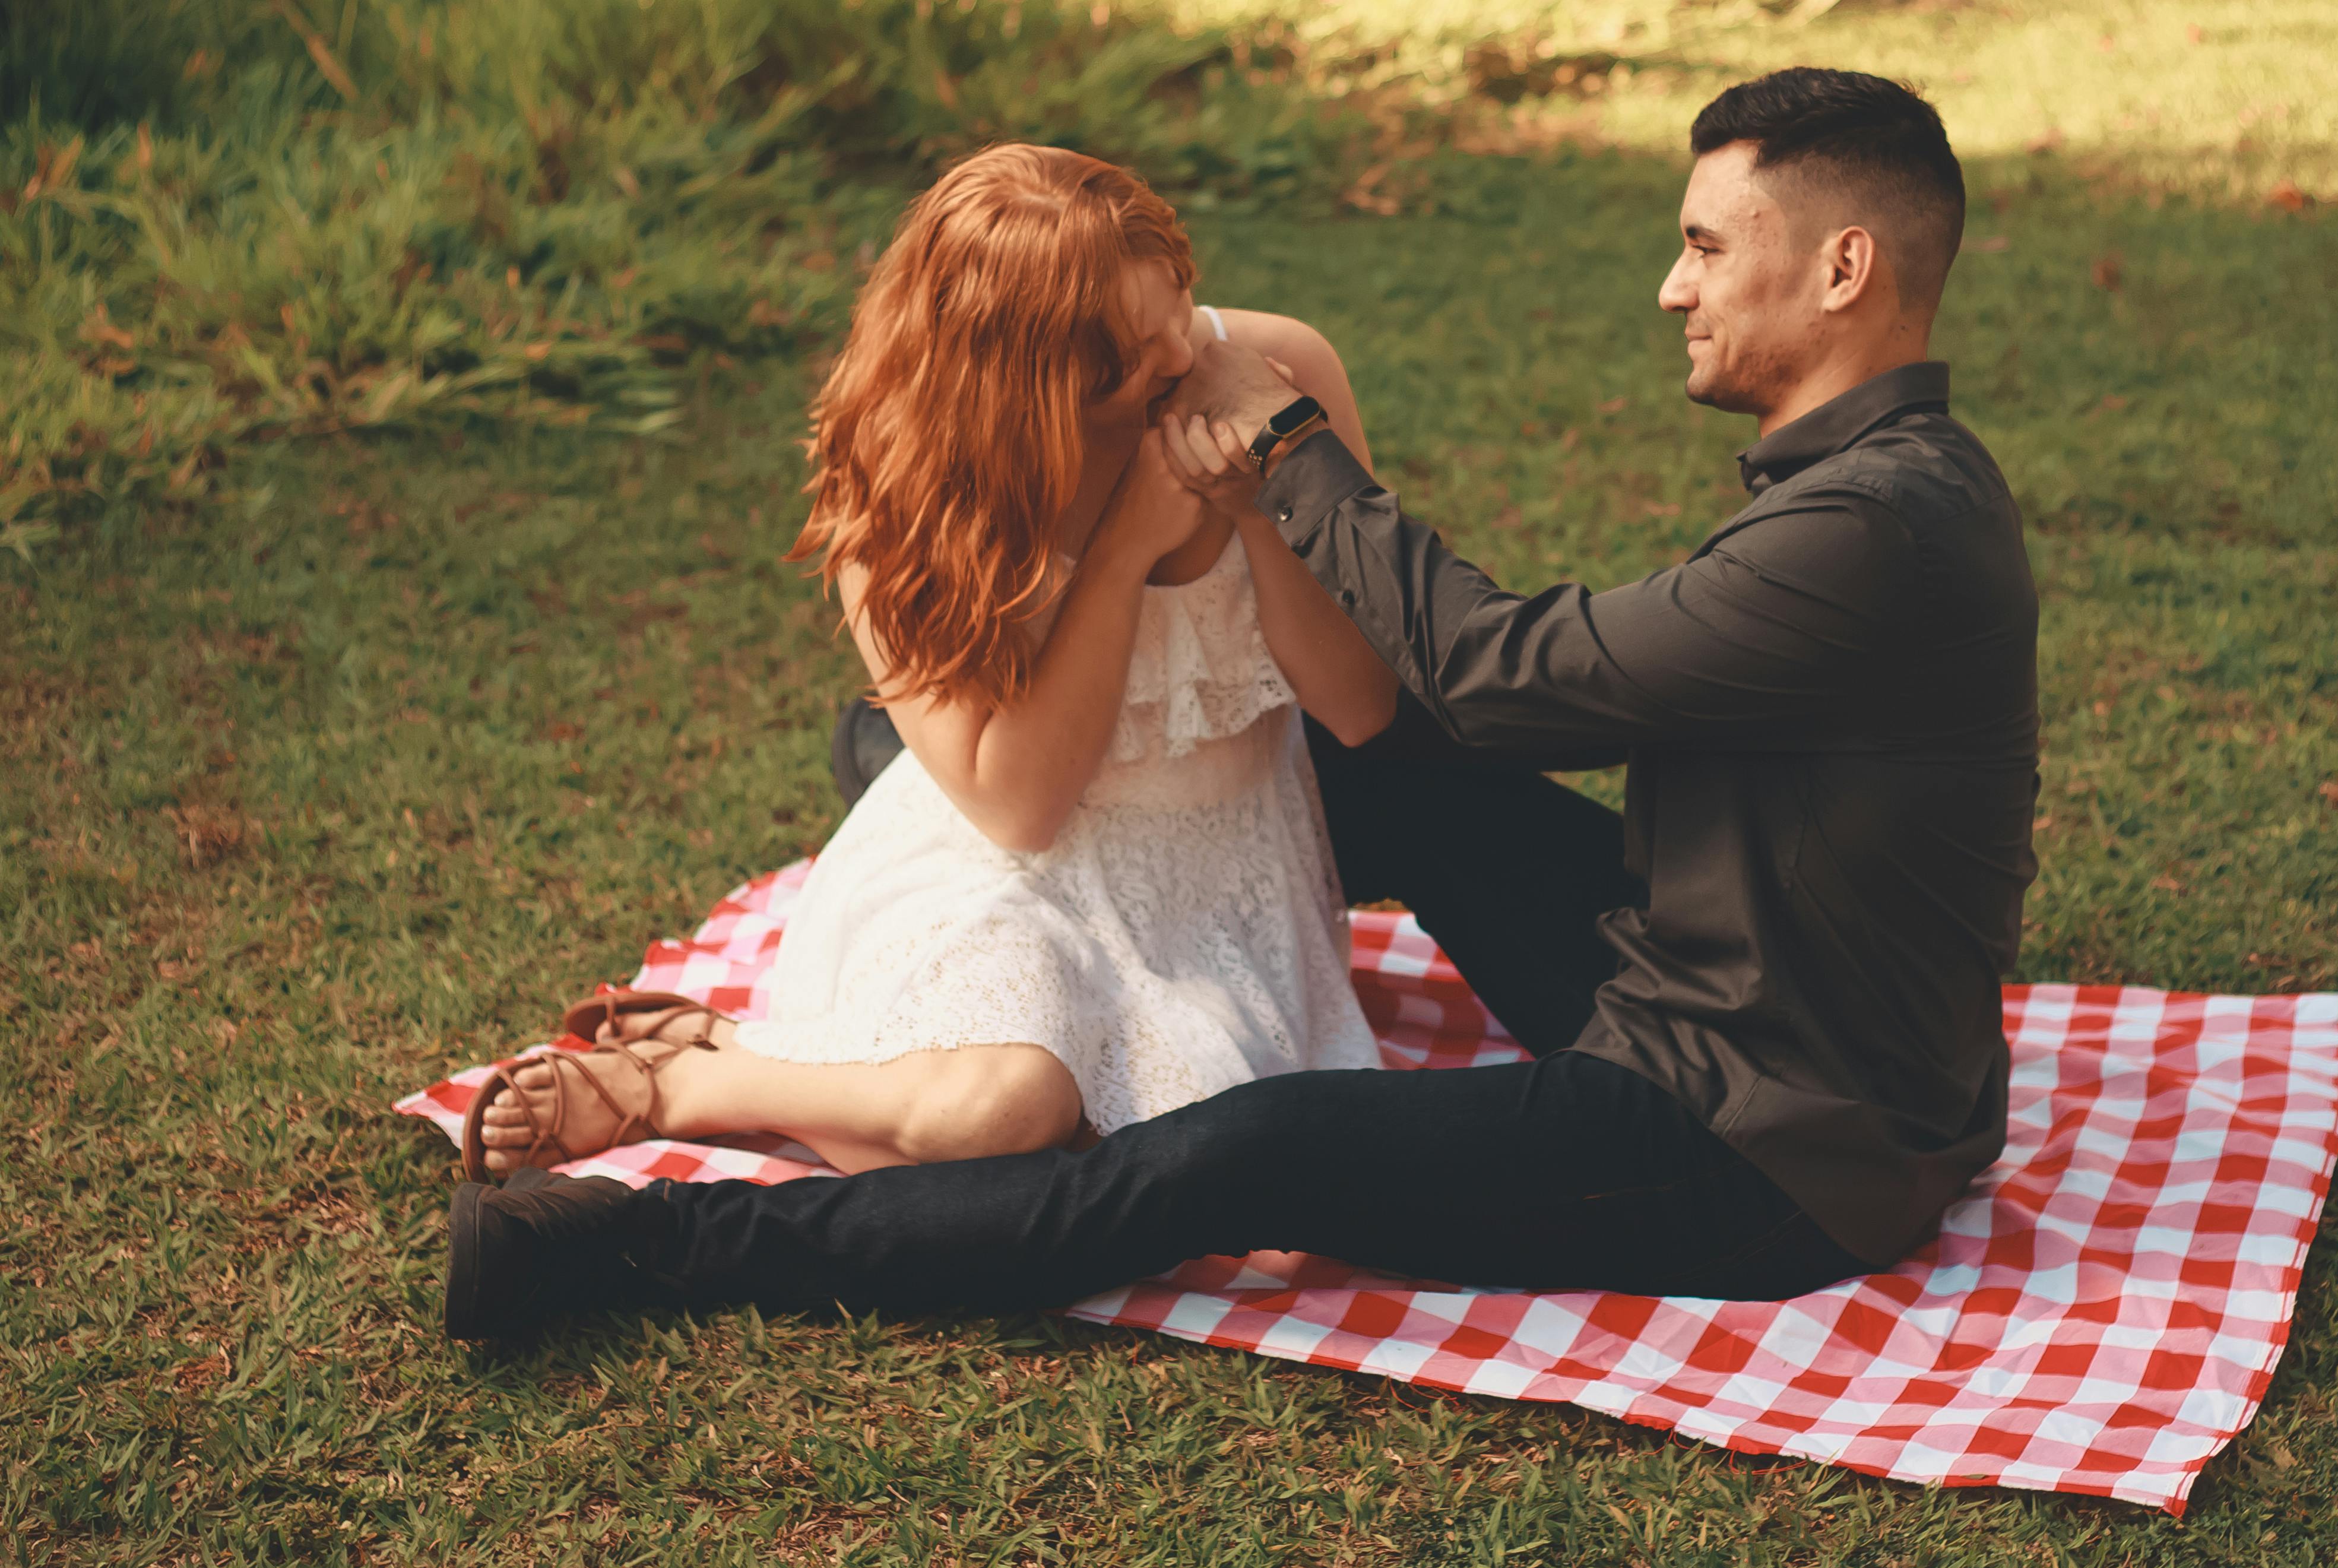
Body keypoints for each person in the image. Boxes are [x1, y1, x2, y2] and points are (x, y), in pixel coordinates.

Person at [442, 68, 2042, 1341]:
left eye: (1704, 246)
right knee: (1385, 780)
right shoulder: (1888, 479)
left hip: (1754, 1140)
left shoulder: (1867, 533)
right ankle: (893, 768)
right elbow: (1395, 731)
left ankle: (642, 1245)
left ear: (1842, 266)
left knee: (1244, 1153)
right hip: (1734, 994)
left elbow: (1497, 677)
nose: (1668, 287)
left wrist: (1287, 465)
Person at [452, 143, 1398, 1186]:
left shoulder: (1280, 370)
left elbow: (1359, 709)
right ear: (1029, 386)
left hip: (1224, 886)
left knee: (1204, 1193)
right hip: (1003, 875)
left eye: (1179, 298)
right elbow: (1020, 812)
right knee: (1005, 1107)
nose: (1185, 351)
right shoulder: (905, 484)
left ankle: (730, 1060)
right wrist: (1127, 544)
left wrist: (1264, 502)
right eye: (1135, 355)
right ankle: (676, 1084)